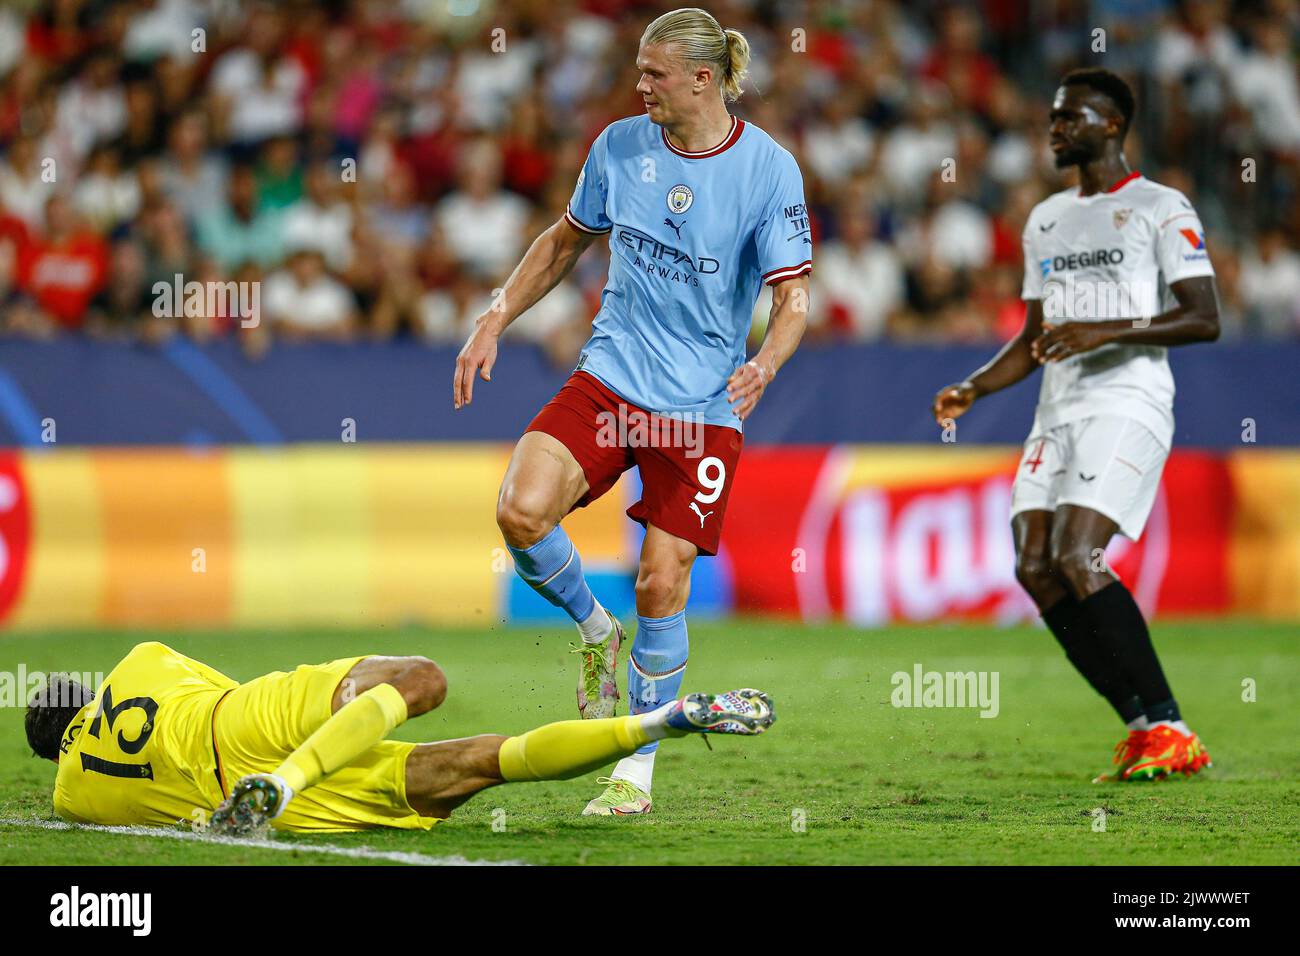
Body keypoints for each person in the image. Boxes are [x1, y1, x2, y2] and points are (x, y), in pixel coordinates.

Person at [453, 7, 810, 814]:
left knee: (659, 581)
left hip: (702, 407)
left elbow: (794, 295)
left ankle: (635, 773)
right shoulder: (618, 146)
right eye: (637, 71)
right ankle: (593, 632)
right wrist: (495, 315)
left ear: (703, 79)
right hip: (611, 379)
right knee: (520, 511)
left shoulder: (768, 169)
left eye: (653, 74)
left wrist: (765, 363)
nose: (638, 85)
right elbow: (563, 240)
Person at [932, 68, 1219, 782]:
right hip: (1056, 410)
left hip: (1128, 400)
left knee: (1078, 555)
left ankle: (1174, 723)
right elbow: (1036, 337)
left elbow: (1204, 316)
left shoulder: (1161, 206)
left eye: (1071, 117)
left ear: (1113, 125)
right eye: (1053, 117)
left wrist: (1106, 333)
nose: (1056, 128)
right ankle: (1143, 725)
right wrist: (974, 385)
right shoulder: (1046, 220)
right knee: (1033, 565)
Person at [26, 641, 774, 834]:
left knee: (482, 766)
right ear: (85, 695)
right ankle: (657, 720)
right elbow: (218, 684)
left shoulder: (70, 800)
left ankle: (282, 788)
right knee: (423, 680)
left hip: (244, 802)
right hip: (239, 719)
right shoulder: (137, 663)